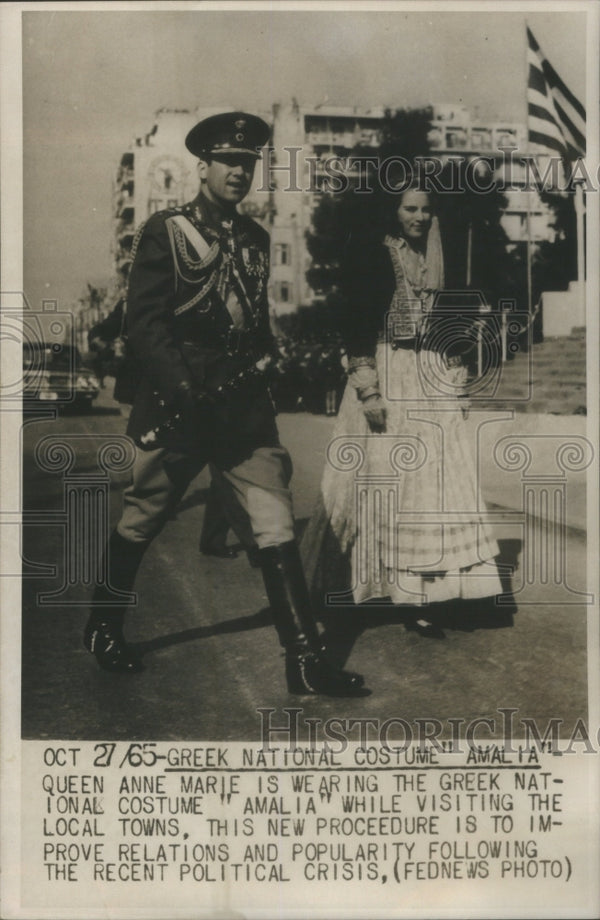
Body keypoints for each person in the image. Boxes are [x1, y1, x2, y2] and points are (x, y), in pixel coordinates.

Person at [84, 111, 365, 697]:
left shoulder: (256, 239)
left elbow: (254, 326)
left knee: (274, 520)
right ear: (204, 166)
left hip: (241, 409)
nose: (239, 171)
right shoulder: (166, 231)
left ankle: (304, 661)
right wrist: (184, 391)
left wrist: (268, 362)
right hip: (181, 405)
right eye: (228, 161)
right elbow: (145, 325)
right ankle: (103, 627)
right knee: (142, 518)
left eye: (247, 163)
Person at [301, 184, 504, 637]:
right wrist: (368, 390)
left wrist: (456, 379)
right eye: (410, 208)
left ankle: (424, 594)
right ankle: (357, 586)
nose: (419, 217)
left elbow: (451, 324)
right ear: (394, 211)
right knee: (379, 481)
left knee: (435, 485)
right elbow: (356, 322)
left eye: (426, 210)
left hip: (431, 376)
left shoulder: (438, 257)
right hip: (388, 373)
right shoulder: (375, 254)